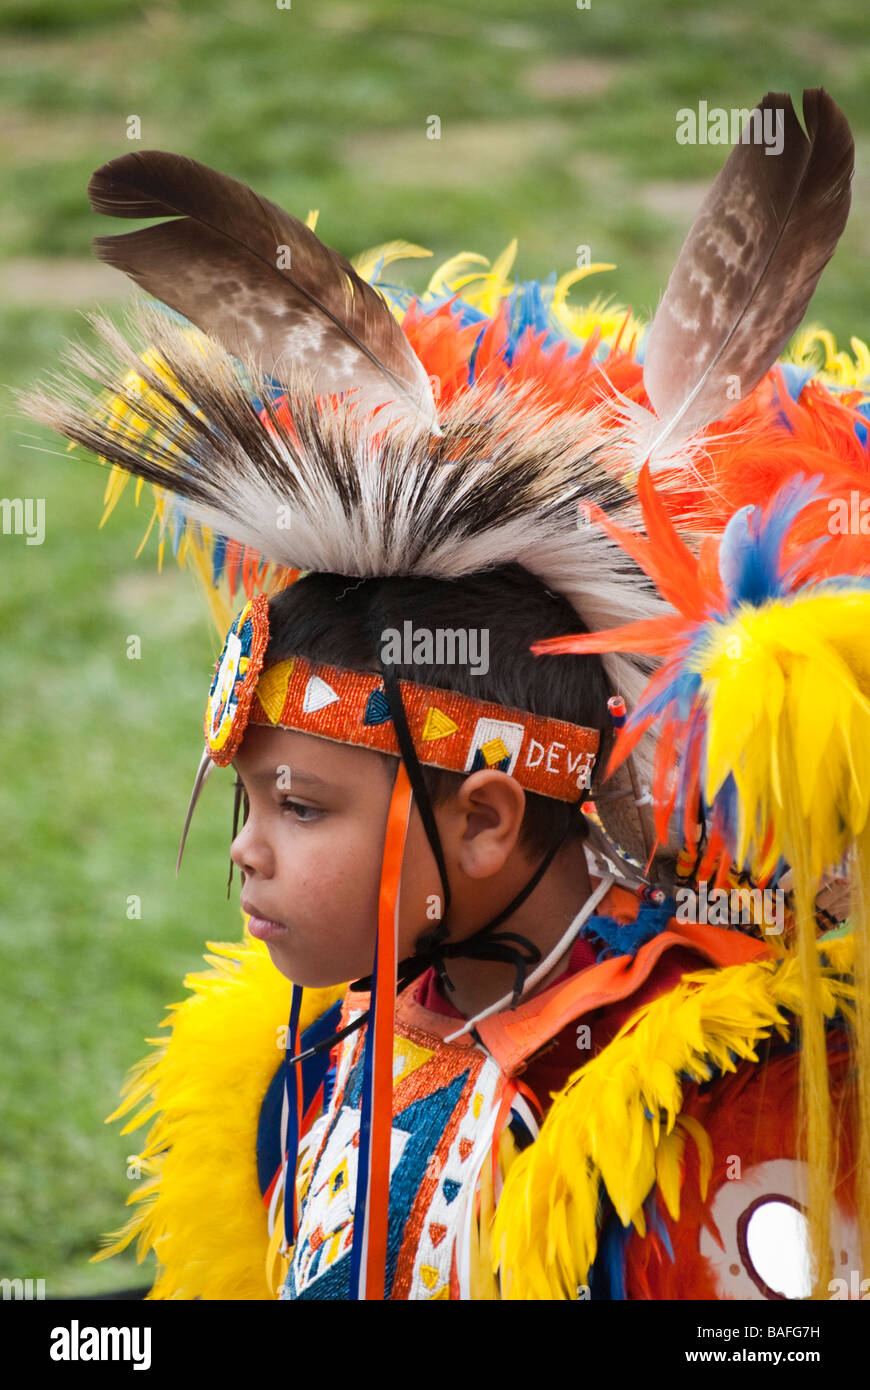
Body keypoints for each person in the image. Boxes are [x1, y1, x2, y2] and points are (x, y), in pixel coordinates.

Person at [19, 86, 869, 1300]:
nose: (243, 859)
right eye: (249, 803)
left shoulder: (726, 1115)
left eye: (300, 806)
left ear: (483, 816)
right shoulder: (315, 1049)